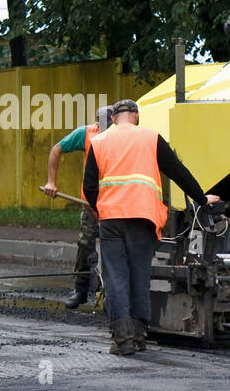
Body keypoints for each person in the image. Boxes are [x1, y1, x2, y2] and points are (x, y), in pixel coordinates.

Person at [83, 99, 219, 356]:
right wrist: (202, 199)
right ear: (136, 116)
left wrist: (102, 210)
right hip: (144, 218)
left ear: (113, 118)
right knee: (139, 275)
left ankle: (122, 340)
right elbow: (178, 172)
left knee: (116, 278)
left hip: (111, 219)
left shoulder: (98, 142)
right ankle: (138, 335)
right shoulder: (151, 137)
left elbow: (89, 187)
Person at [43, 104, 112, 308]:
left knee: (116, 245)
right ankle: (80, 290)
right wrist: (51, 182)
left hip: (116, 203)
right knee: (85, 243)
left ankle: (116, 293)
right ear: (97, 125)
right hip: (91, 203)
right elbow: (56, 149)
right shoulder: (86, 133)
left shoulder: (125, 136)